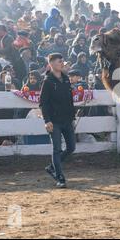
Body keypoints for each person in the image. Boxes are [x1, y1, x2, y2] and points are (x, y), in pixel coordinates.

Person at [39, 53, 76, 188]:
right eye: (59, 61)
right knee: (57, 149)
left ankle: (52, 167)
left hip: (66, 119)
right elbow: (43, 103)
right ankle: (60, 177)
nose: (62, 63)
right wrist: (47, 120)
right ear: (52, 64)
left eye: (62, 61)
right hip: (54, 121)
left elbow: (69, 100)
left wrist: (72, 117)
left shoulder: (66, 79)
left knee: (71, 147)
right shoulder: (48, 81)